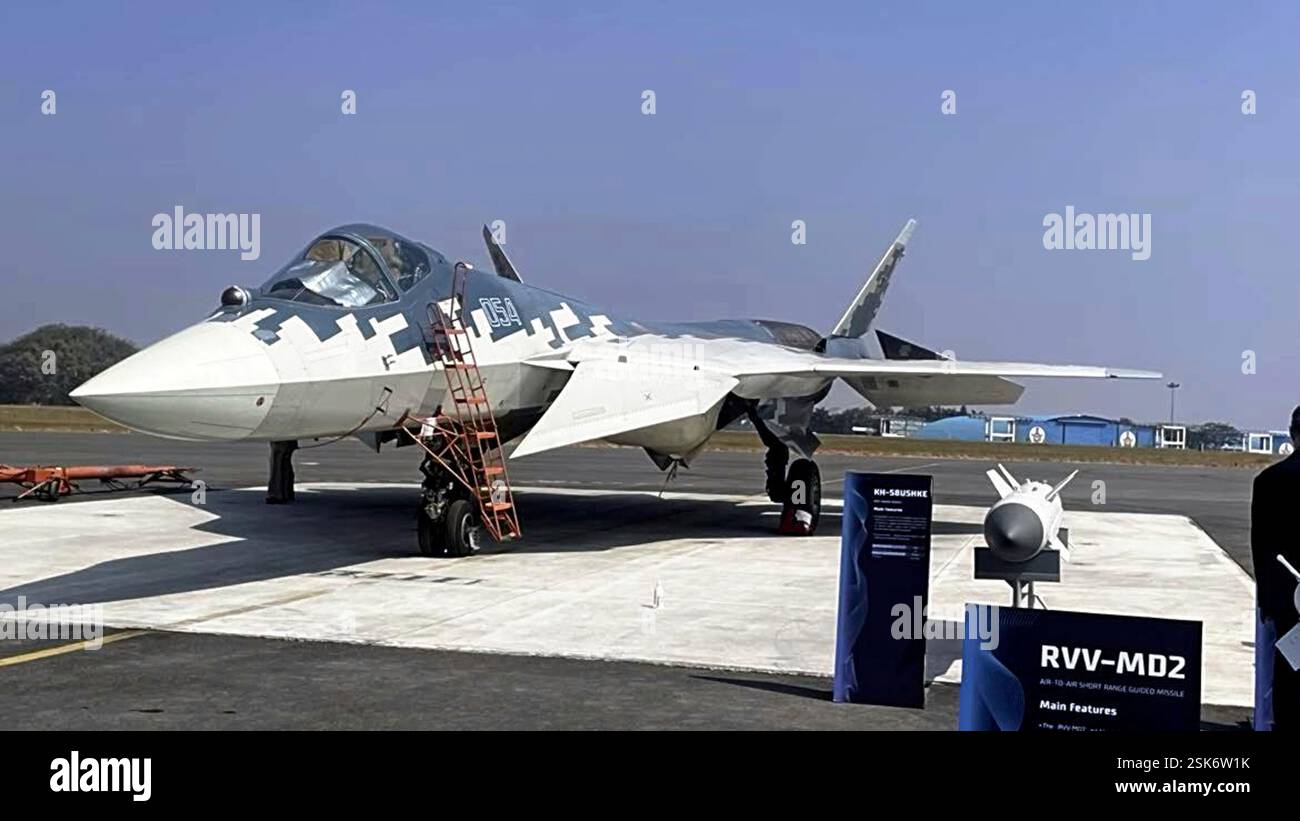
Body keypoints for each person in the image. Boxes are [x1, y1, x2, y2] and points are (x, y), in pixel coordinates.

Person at [1250, 406, 1300, 730]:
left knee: (1288, 678)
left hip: (1288, 602)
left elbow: (1262, 547)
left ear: (1292, 434)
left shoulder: (1268, 481)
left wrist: (1268, 604)